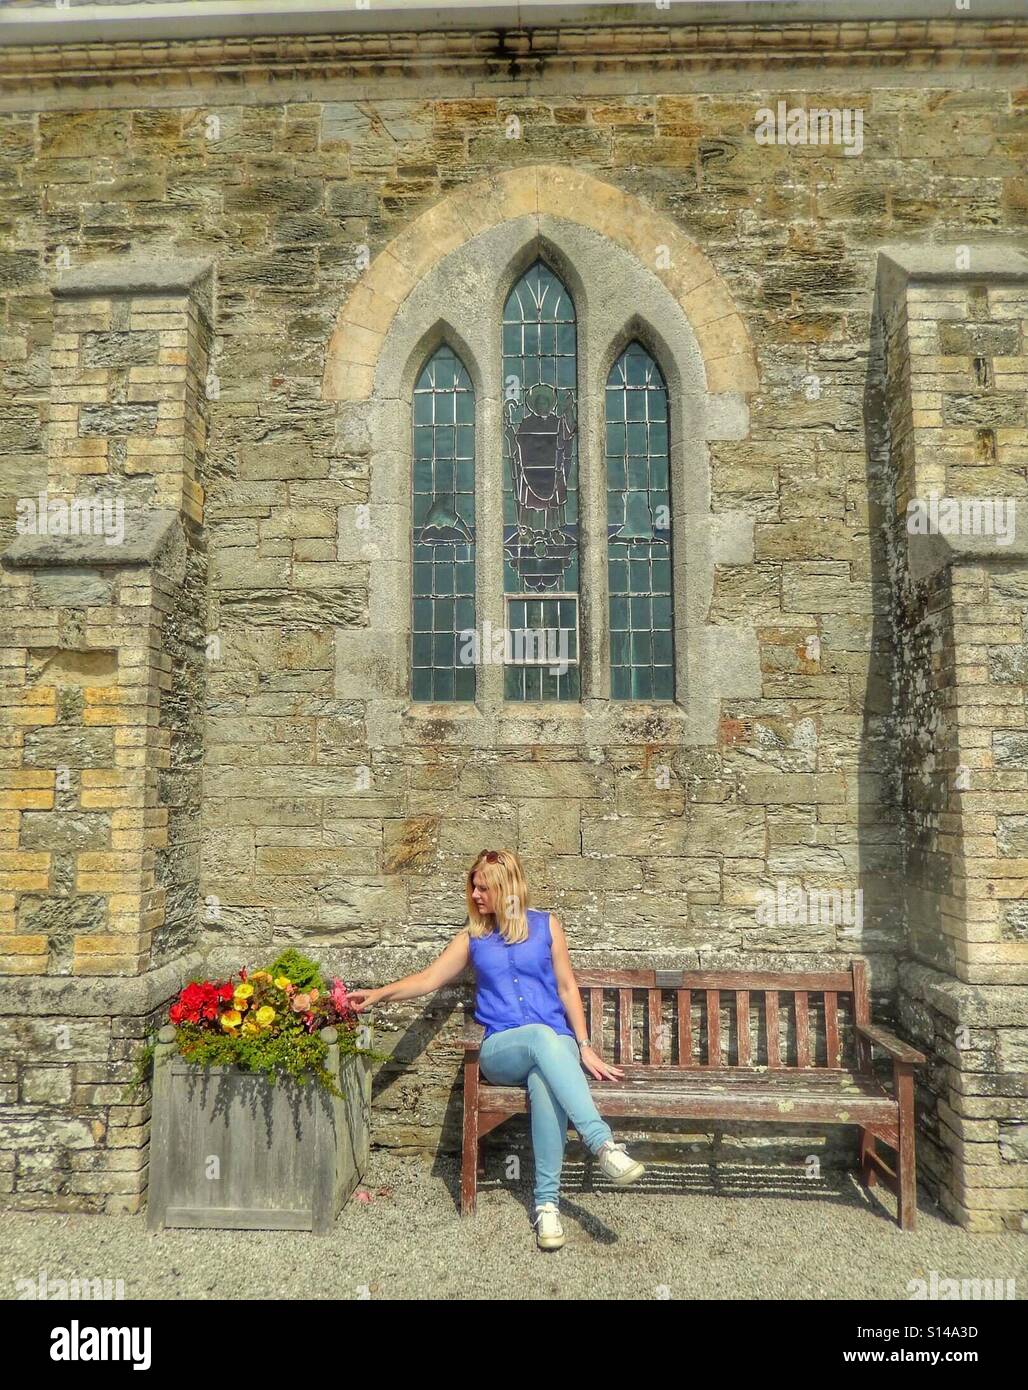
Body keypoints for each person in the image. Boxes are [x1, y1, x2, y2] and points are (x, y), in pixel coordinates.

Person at [348, 848, 645, 1251]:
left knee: (545, 1081)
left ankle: (546, 1207)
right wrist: (379, 994)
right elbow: (429, 978)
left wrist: (586, 1047)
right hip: (501, 1051)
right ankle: (602, 1143)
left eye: (482, 887)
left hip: (553, 1050)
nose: (473, 894)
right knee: (542, 1038)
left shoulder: (546, 926)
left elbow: (566, 987)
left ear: (506, 888)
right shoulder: (473, 938)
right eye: (472, 886)